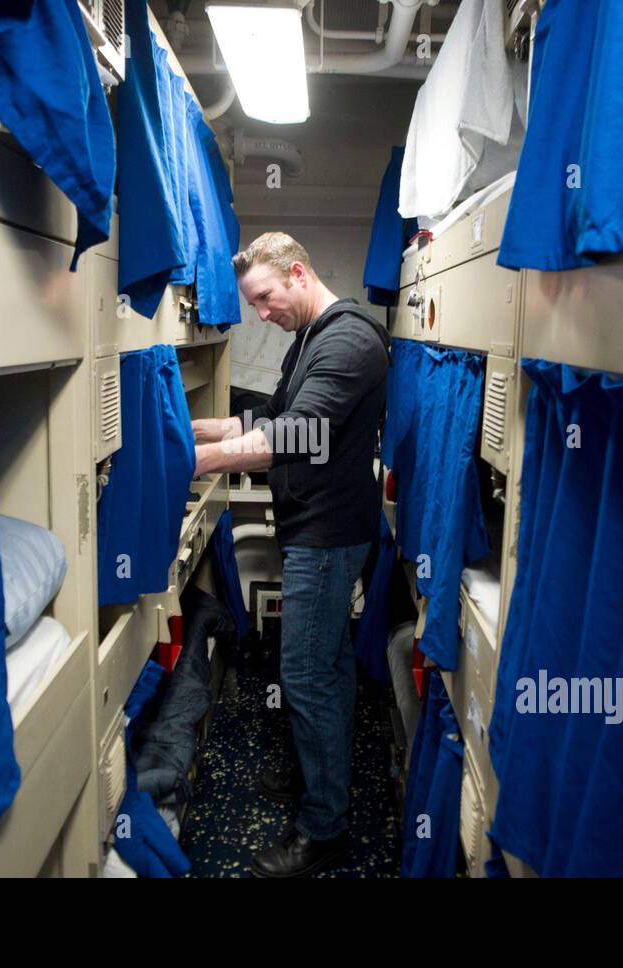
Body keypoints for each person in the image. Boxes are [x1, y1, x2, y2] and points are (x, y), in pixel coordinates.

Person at [192, 232, 389, 877]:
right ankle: (317, 776)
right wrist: (195, 428)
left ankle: (322, 828)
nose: (260, 314)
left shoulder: (349, 340)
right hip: (315, 529)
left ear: (299, 274)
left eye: (265, 298)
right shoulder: (309, 337)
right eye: (252, 303)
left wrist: (194, 461)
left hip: (329, 538)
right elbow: (273, 411)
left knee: (306, 673)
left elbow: (297, 434)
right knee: (323, 667)